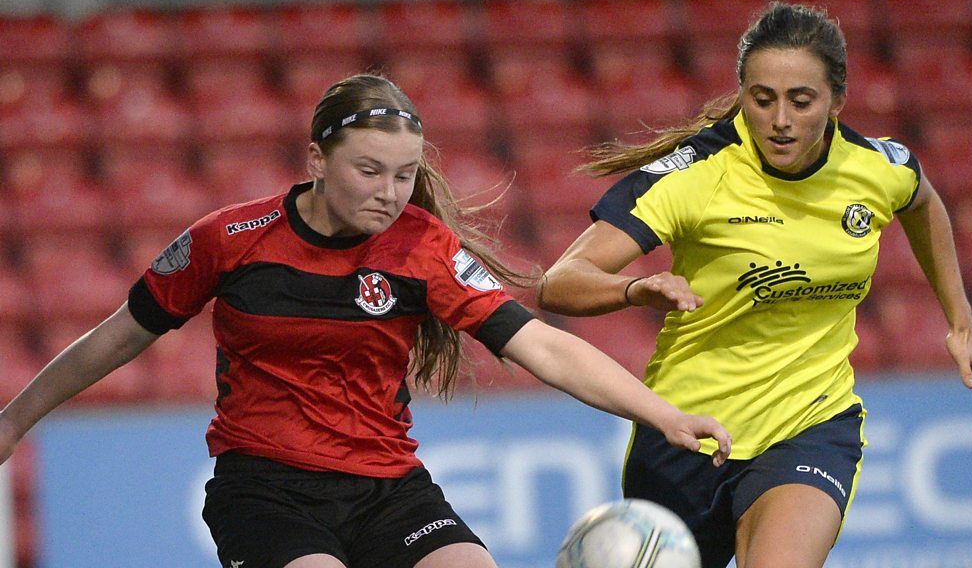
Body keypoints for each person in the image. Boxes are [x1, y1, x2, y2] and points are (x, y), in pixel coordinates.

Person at [0, 74, 731, 568]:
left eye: (405, 173)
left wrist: (661, 413)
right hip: (265, 491)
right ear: (316, 158)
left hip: (389, 488)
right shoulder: (227, 240)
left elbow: (542, 346)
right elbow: (118, 336)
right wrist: (14, 419)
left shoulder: (422, 248)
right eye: (368, 170)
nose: (389, 192)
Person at [537, 1, 972, 568]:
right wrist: (635, 290)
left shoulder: (877, 168)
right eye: (762, 99)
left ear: (837, 101)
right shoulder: (698, 175)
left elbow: (922, 200)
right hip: (687, 433)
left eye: (800, 101)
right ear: (742, 94)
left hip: (810, 421)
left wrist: (960, 321)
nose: (780, 120)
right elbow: (560, 283)